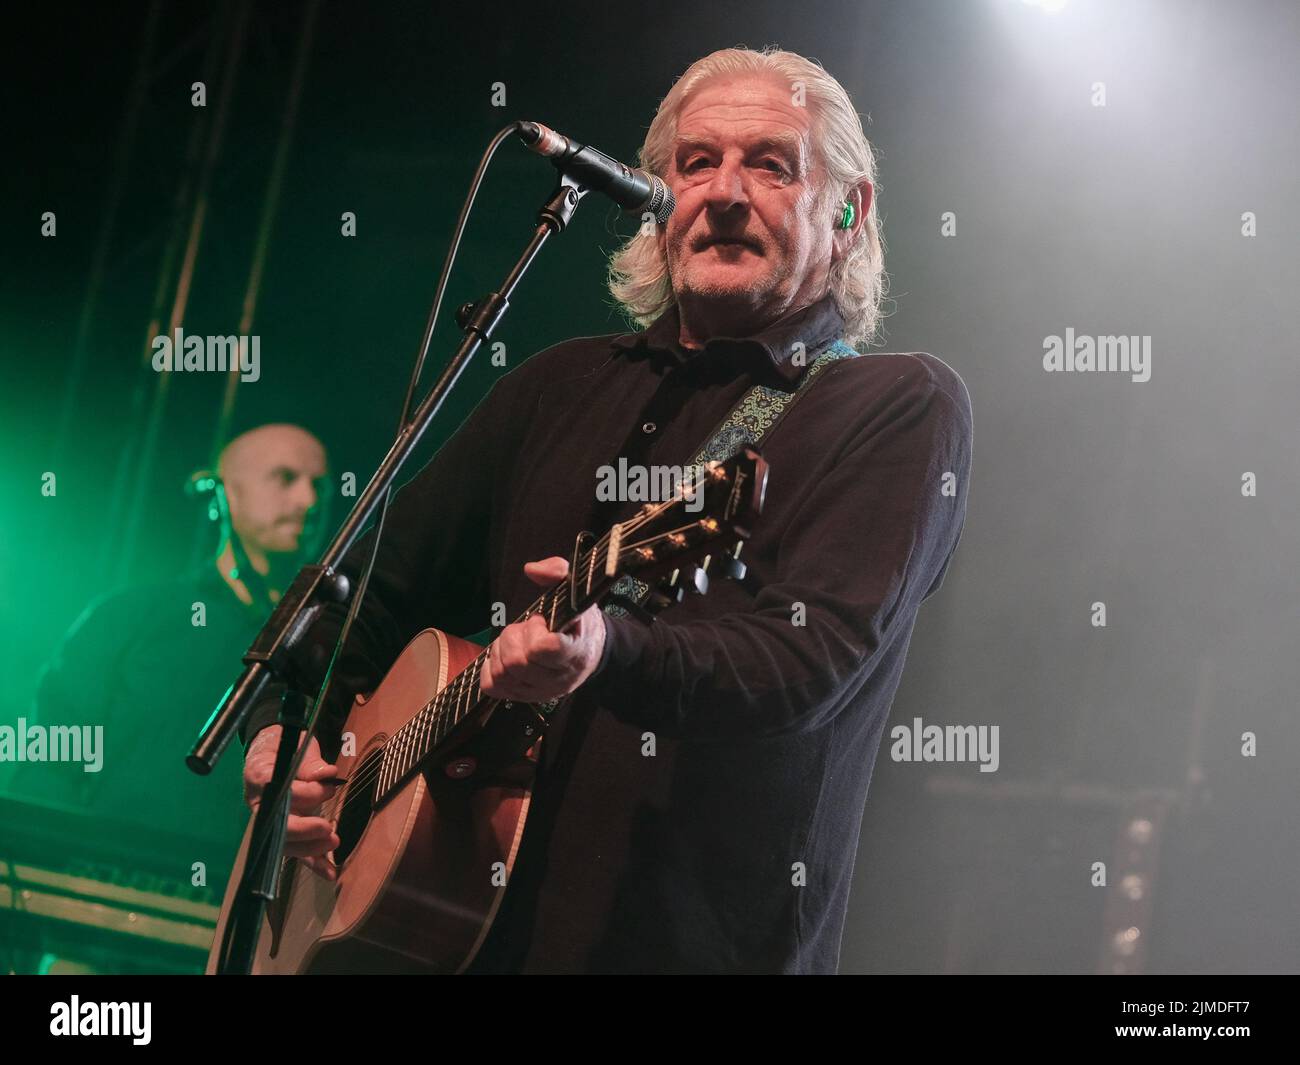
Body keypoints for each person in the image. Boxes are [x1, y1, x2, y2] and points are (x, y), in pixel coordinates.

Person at [241, 46, 973, 974]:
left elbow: (811, 659)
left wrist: (610, 649)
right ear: (655, 196)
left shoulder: (897, 406)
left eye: (771, 163)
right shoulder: (557, 385)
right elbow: (366, 579)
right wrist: (288, 729)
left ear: (846, 211)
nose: (726, 192)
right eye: (696, 162)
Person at [13, 423, 328, 864]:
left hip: (252, 907)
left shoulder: (331, 638)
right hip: (107, 880)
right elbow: (51, 755)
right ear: (224, 493)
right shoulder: (129, 614)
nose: (307, 501)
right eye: (285, 479)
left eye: (319, 485)